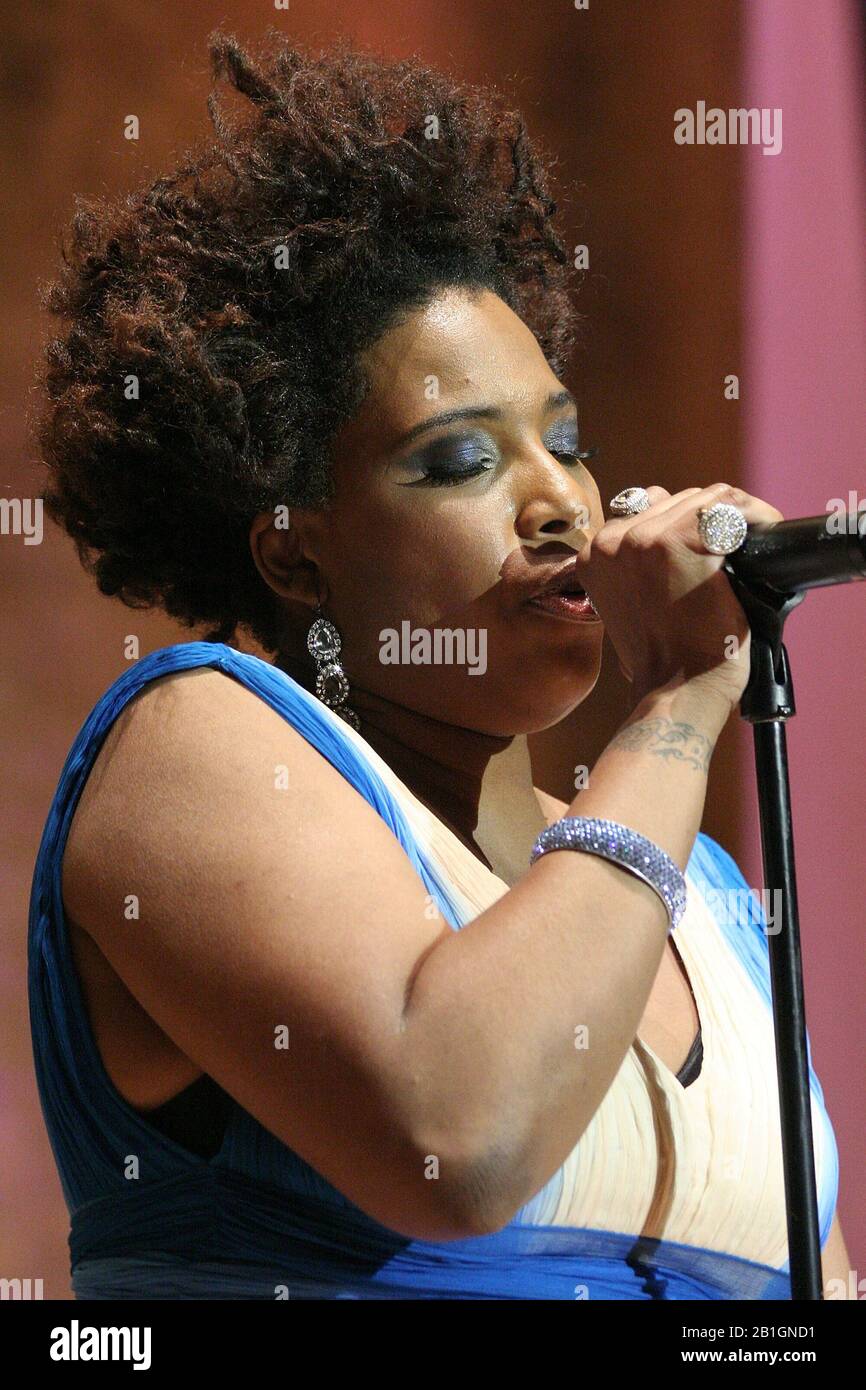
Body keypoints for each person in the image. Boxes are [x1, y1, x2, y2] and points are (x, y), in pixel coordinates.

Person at [28, 29, 847, 1299]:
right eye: (462, 461)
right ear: (295, 557)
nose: (559, 504)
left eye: (563, 441)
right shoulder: (192, 737)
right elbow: (455, 1140)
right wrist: (678, 707)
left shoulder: (701, 893)